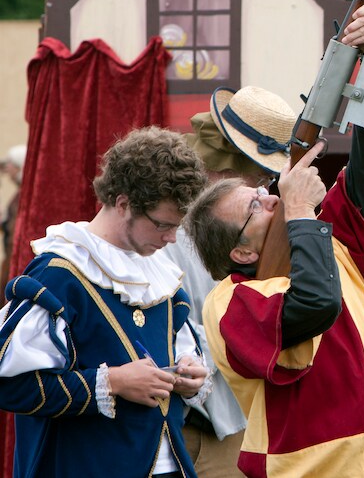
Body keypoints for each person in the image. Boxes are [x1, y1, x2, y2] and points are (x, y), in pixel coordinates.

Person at [185, 6, 364, 478]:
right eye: (255, 206)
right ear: (241, 253)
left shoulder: (312, 235)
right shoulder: (229, 304)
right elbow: (314, 302)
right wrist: (298, 213)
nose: (271, 199)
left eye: (263, 193)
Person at [0, 127, 210, 478]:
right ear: (124, 203)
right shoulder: (60, 274)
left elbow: (185, 350)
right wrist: (112, 381)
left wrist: (190, 375)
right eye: (162, 224)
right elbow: (12, 386)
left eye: (177, 226)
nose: (171, 237)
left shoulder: (162, 274)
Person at [158, 83, 300, 476]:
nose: (266, 192)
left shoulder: (258, 225)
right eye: (260, 179)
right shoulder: (162, 220)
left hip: (232, 420)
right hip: (172, 419)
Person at [0, 144, 25, 277]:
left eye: (10, 164)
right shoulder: (19, 194)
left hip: (13, 256)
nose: (7, 168)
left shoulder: (23, 195)